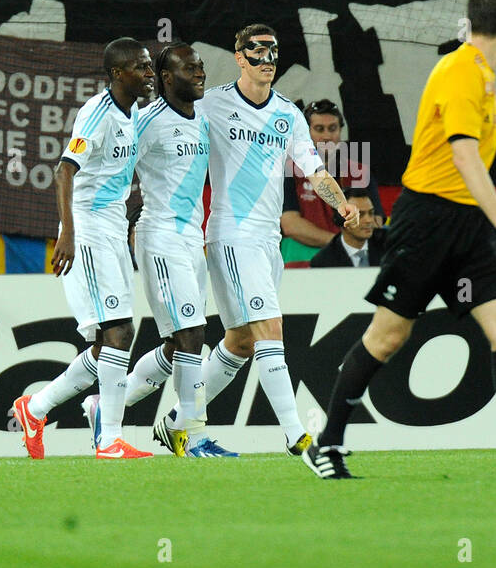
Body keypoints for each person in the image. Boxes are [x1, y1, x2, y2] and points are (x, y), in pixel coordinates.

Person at [304, 0, 496, 480]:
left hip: (467, 224)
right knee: (389, 334)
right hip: (428, 220)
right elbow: (463, 155)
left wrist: (488, 224)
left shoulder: (481, 73)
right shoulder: (460, 70)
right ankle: (326, 444)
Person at [151, 24, 358, 457]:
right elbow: (168, 122)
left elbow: (314, 169)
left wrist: (340, 202)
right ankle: (295, 435)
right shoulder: (213, 102)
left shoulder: (288, 113)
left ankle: (173, 422)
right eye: (257, 51)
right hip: (230, 234)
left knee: (241, 342)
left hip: (267, 241)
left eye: (273, 50)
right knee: (270, 328)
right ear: (240, 57)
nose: (268, 59)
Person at [12, 37, 156, 461]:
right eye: (141, 67)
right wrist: (68, 234)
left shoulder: (134, 114)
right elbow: (63, 172)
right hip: (88, 231)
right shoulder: (98, 113)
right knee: (119, 332)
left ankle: (34, 408)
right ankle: (109, 437)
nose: (149, 74)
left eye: (150, 66)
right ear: (117, 74)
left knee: (105, 343)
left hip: (111, 231)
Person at [97, 43, 236, 457]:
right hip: (160, 239)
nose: (199, 73)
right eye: (189, 68)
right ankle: (191, 436)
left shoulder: (203, 118)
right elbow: (112, 168)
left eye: (200, 66)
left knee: (179, 345)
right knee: (194, 335)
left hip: (192, 240)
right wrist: (105, 227)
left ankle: (102, 409)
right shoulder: (147, 121)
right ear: (166, 79)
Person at [281, 97, 382, 252]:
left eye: (332, 128)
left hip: (352, 261)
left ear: (341, 130)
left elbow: (375, 221)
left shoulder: (360, 172)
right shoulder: (288, 171)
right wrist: (341, 245)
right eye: (319, 129)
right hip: (302, 262)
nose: (327, 136)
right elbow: (291, 225)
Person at [308, 189, 385, 267]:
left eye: (371, 213)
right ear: (341, 219)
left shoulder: (390, 244)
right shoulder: (323, 262)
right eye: (359, 215)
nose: (369, 220)